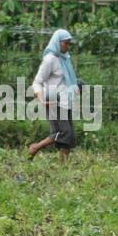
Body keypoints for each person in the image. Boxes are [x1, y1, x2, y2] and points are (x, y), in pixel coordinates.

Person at [28, 29, 80, 159]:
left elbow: (66, 79)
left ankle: (63, 166)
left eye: (69, 43)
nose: (68, 46)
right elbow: (37, 82)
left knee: (69, 136)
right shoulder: (50, 59)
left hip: (65, 101)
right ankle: (35, 147)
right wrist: (41, 99)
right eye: (66, 43)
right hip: (53, 101)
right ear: (57, 42)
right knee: (63, 132)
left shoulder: (65, 59)